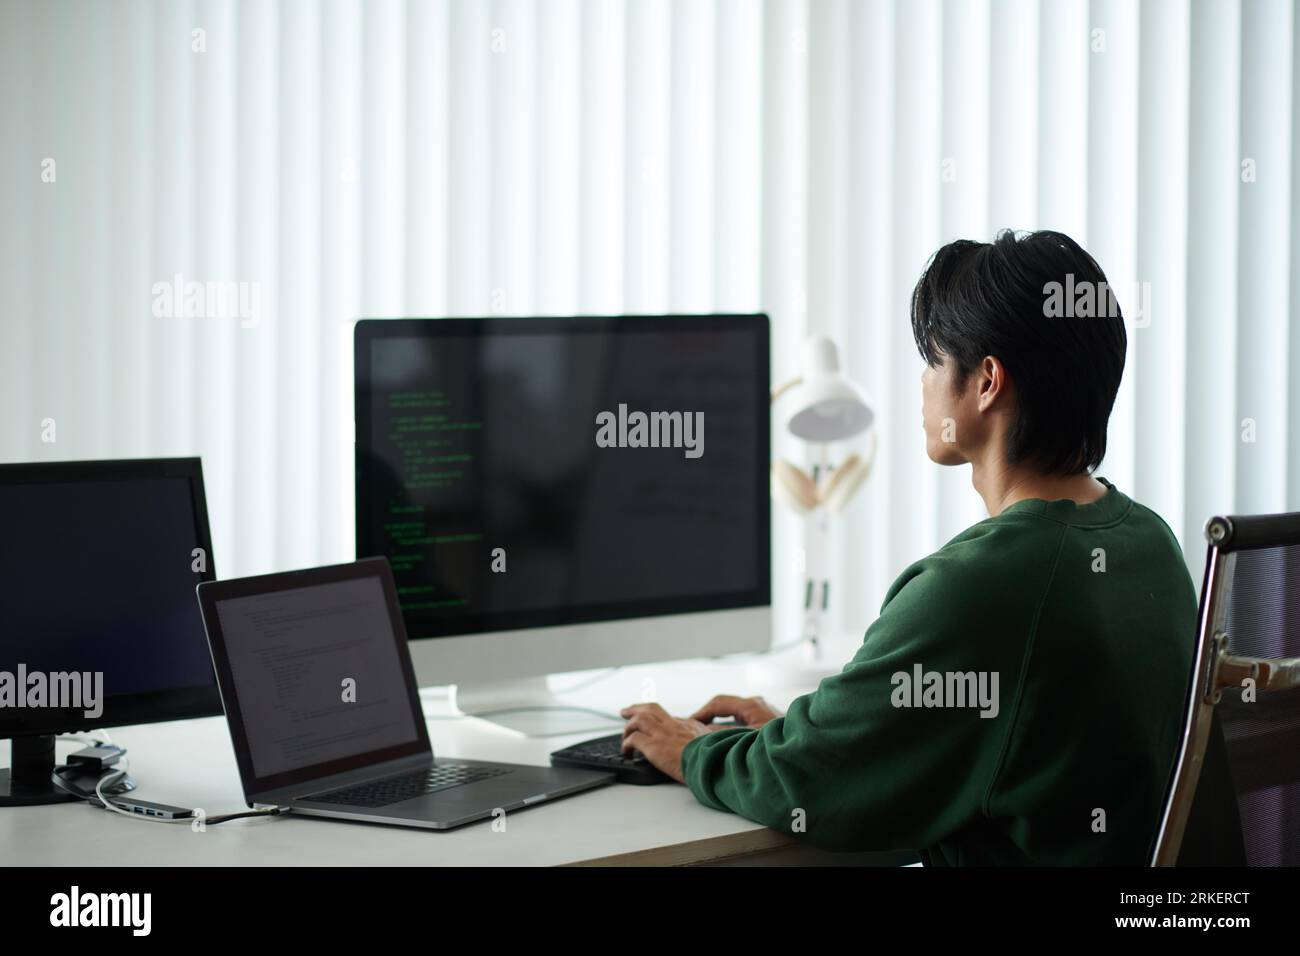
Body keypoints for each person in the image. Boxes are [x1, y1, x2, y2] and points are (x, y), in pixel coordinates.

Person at [618, 229, 1196, 866]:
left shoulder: (985, 584)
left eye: (935, 359)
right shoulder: (1150, 542)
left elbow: (810, 783)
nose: (923, 382)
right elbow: (1000, 734)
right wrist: (811, 732)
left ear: (986, 383)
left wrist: (688, 748)